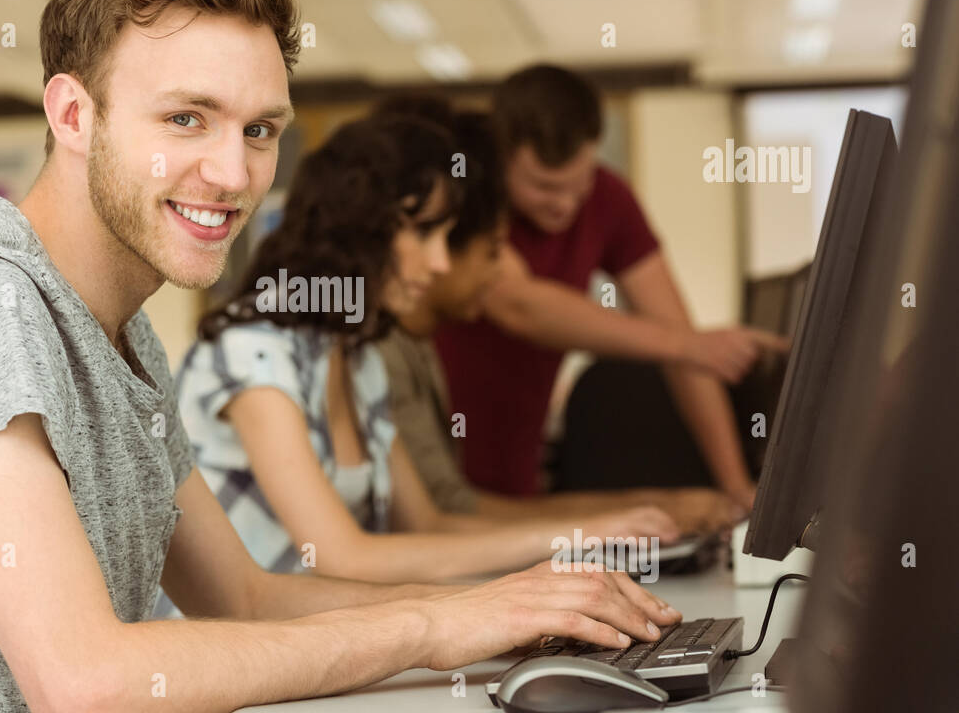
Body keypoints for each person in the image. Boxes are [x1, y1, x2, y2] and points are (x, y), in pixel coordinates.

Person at [0, 0, 682, 713]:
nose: (232, 171)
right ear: (71, 114)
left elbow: (245, 597)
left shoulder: (126, 341)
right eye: (186, 118)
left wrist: (501, 608)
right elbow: (87, 692)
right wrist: (433, 625)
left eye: (260, 130)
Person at [170, 111, 682, 594]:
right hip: (230, 666)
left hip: (313, 655)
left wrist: (590, 535)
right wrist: (573, 539)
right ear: (361, 227)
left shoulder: (358, 355)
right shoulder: (254, 347)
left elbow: (428, 524)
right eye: (425, 233)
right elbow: (344, 558)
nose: (440, 263)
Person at [433, 65, 787, 510]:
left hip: (518, 469)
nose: (564, 203)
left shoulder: (608, 198)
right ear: (502, 157)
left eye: (578, 182)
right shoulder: (475, 193)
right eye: (544, 186)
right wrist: (686, 345)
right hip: (440, 460)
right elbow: (518, 305)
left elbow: (681, 343)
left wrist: (737, 488)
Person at [373, 103, 737, 533]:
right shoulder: (378, 353)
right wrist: (641, 514)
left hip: (502, 495)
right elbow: (437, 521)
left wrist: (731, 488)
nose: (498, 277)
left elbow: (436, 518)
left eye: (578, 185)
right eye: (494, 253)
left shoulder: (405, 346)